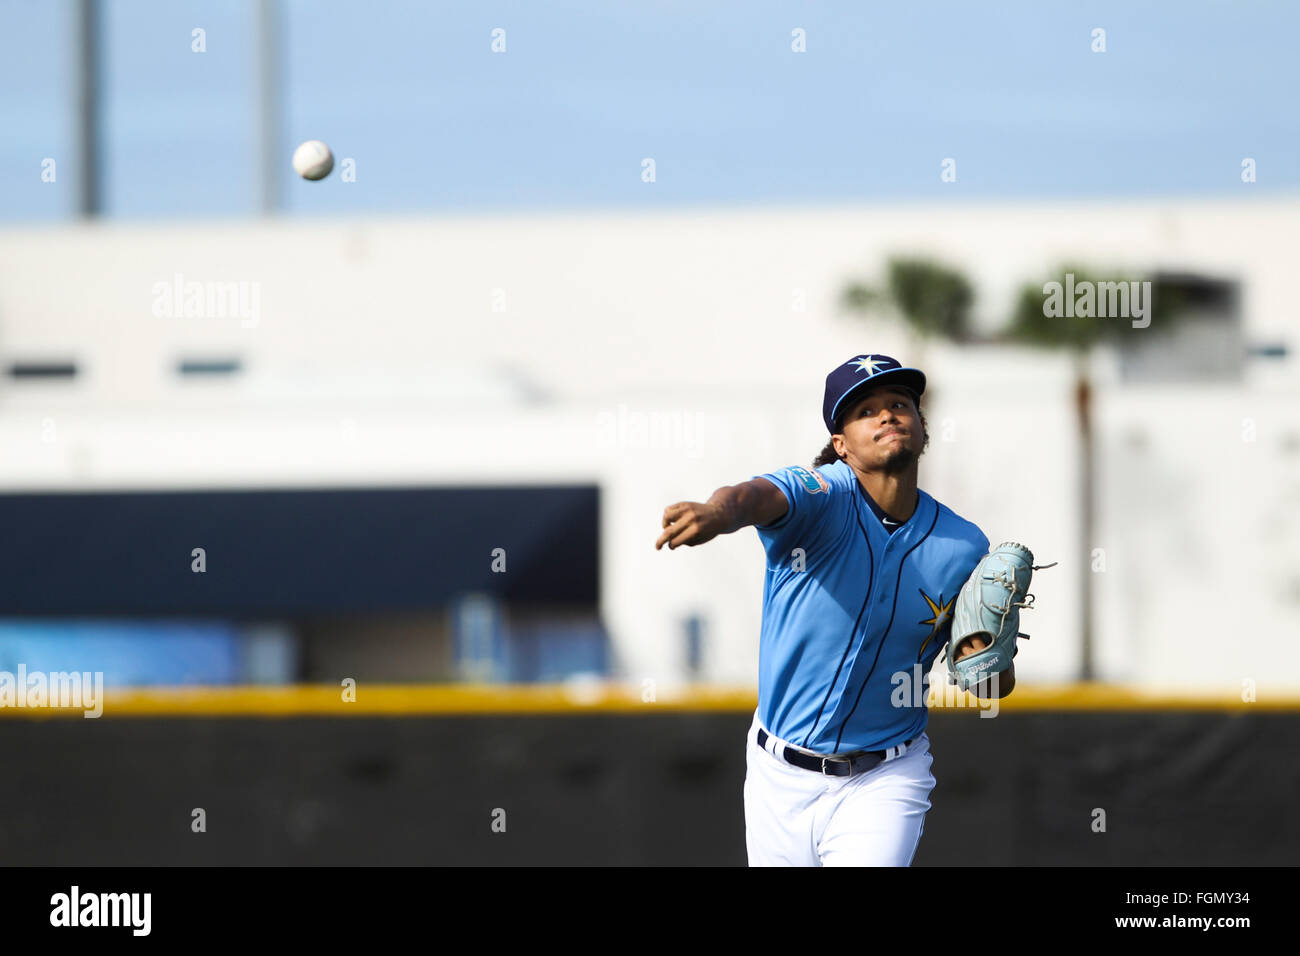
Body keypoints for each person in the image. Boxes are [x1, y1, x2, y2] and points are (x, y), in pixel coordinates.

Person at [654, 353, 1011, 866]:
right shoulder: (820, 496)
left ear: (921, 426)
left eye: (899, 404)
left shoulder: (964, 545)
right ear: (841, 445)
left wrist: (986, 658)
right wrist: (718, 512)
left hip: (885, 776)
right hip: (779, 776)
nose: (887, 415)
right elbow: (755, 496)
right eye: (866, 411)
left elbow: (991, 688)